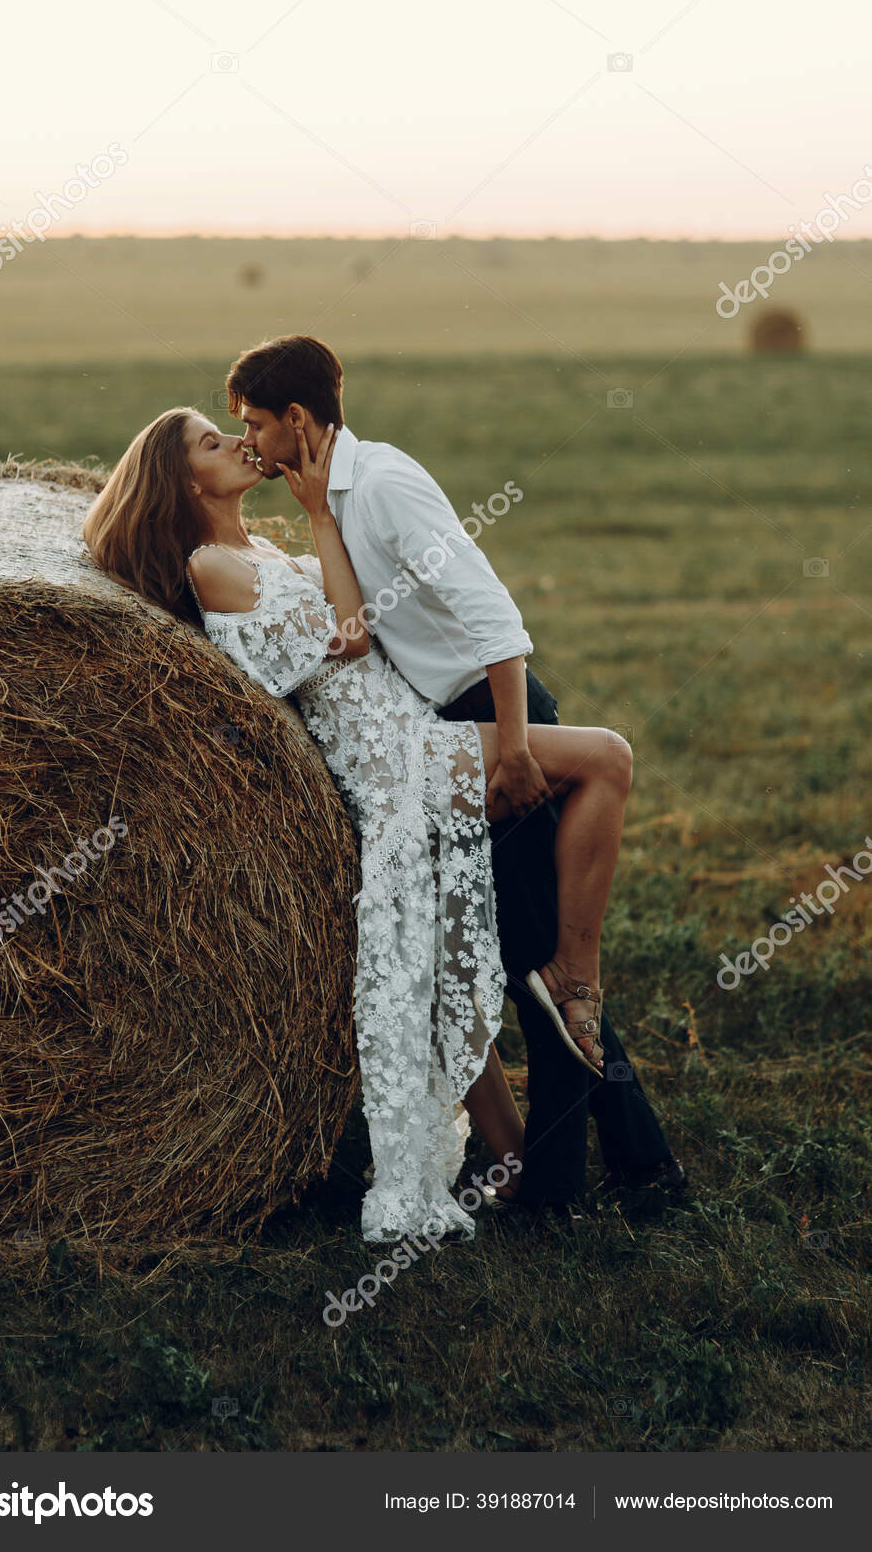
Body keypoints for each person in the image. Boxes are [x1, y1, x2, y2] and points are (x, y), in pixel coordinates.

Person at [226, 335, 685, 1214]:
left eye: (253, 422)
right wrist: (316, 514)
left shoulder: (387, 484)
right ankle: (636, 1169)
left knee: (534, 960)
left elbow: (489, 611)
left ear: (297, 419)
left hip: (498, 716)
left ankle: (563, 1189)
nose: (245, 437)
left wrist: (512, 744)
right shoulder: (327, 494)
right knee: (524, 956)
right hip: (454, 731)